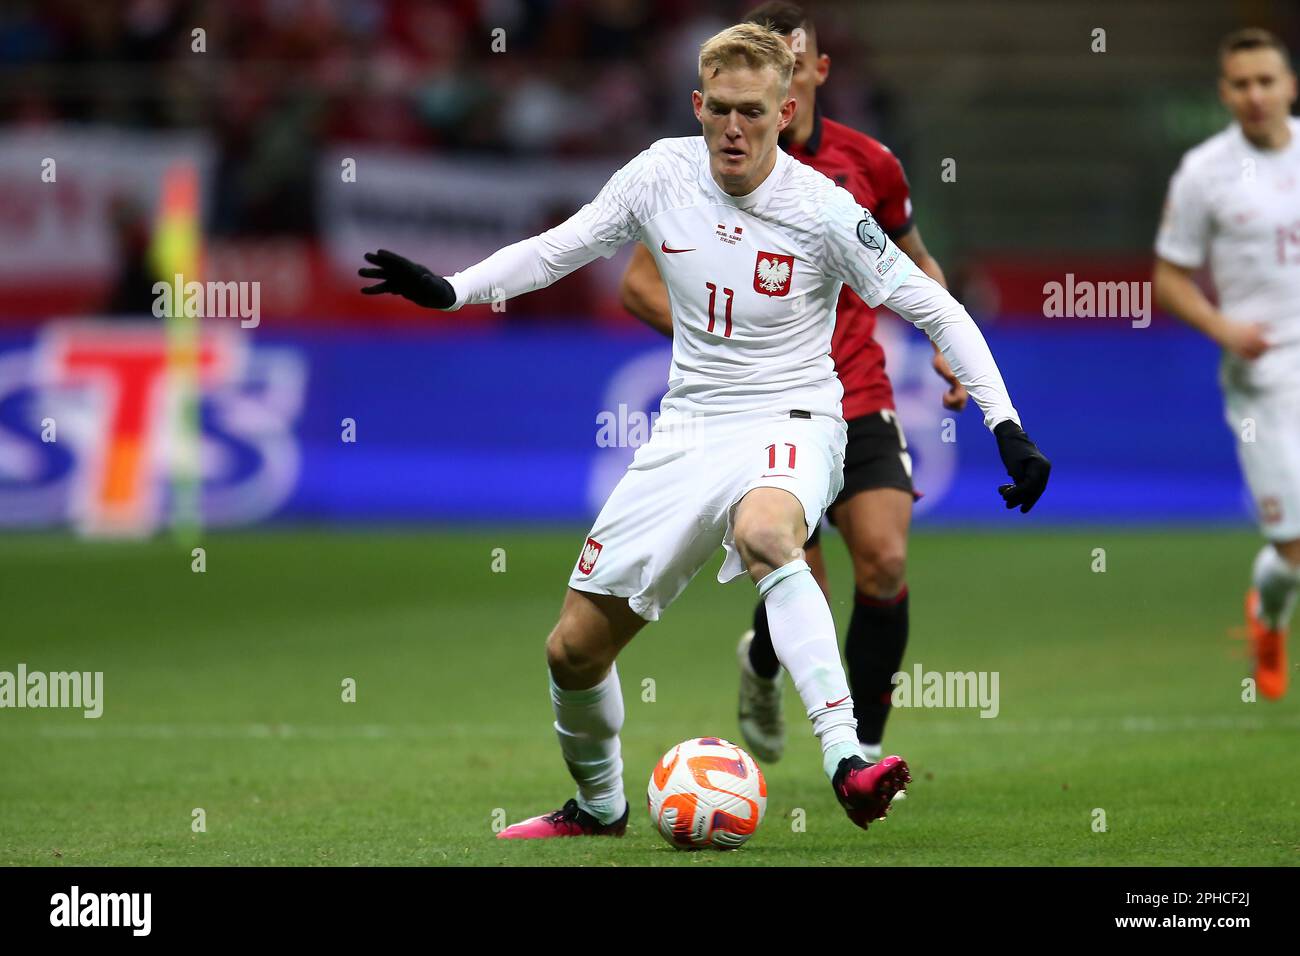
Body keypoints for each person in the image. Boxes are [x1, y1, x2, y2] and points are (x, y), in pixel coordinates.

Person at [360, 22, 1050, 838]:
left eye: (753, 112)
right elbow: (559, 250)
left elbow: (932, 303)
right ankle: (600, 807)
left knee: (768, 532)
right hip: (687, 430)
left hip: (796, 415)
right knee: (573, 651)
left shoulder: (825, 209)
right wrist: (451, 289)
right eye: (719, 109)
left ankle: (847, 759)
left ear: (784, 108)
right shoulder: (659, 174)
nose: (734, 128)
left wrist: (1006, 423)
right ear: (697, 103)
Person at [621, 1, 964, 765]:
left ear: (811, 72)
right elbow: (639, 286)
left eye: (787, 61)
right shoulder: (709, 169)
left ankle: (865, 749)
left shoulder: (868, 165)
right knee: (794, 568)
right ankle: (766, 664)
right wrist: (725, 348)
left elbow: (915, 263)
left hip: (861, 393)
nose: (774, 75)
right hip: (772, 411)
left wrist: (944, 338)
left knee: (884, 561)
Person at [1154, 27, 1300, 700]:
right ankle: (1268, 616)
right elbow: (1169, 276)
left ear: (1289, 85)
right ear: (1224, 93)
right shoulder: (1204, 172)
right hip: (1262, 379)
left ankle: (1269, 611)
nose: (1255, 95)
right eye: (1240, 84)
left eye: (1266, 81)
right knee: (1294, 549)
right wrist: (1222, 326)